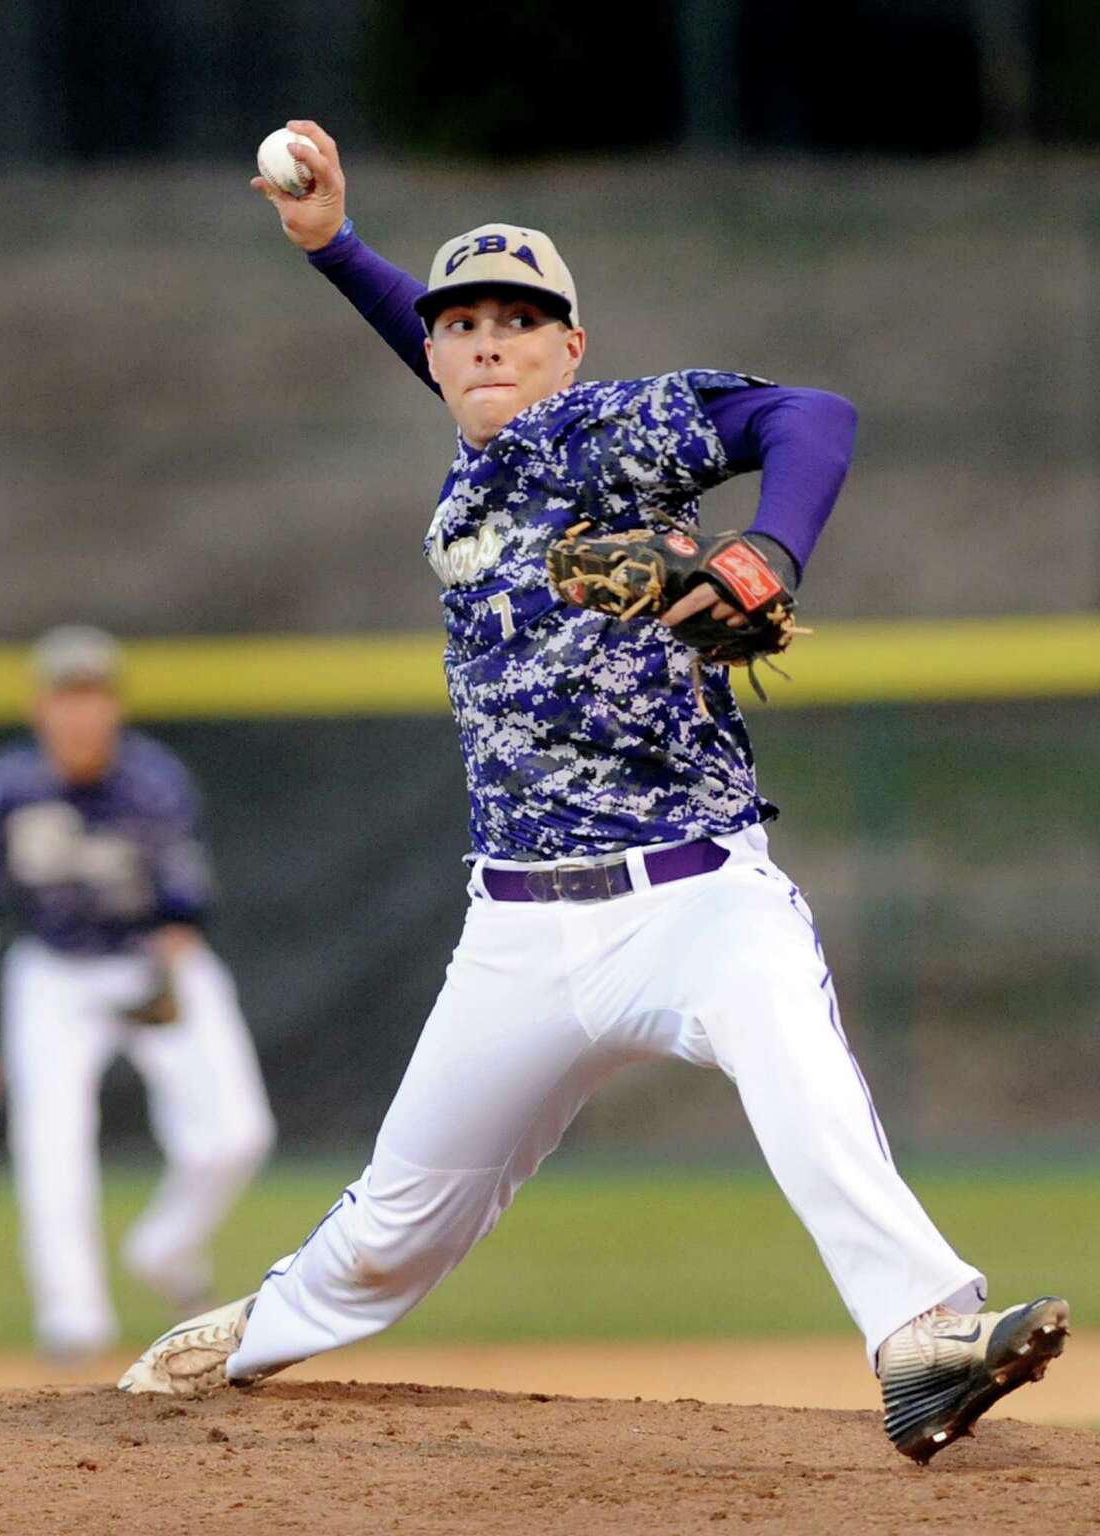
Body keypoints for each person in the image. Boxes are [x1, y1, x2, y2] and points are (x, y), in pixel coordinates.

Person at [118, 124, 1068, 1462]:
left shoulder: (612, 428)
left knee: (804, 1083)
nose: (488, 341)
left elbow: (815, 417)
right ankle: (258, 1333)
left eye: (523, 321)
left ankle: (922, 1336)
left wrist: (769, 552)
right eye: (462, 326)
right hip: (514, 931)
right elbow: (458, 366)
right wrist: (335, 249)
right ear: (434, 354)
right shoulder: (478, 455)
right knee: (393, 1229)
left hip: (695, 897)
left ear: (572, 348)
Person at [0, 625, 276, 1358]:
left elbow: (184, 908)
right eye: (66, 695)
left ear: (114, 706)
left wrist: (164, 976)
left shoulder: (154, 781)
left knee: (238, 1134)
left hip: (148, 961)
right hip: (53, 972)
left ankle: (164, 1249)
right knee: (50, 1141)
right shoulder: (4, 788)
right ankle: (72, 1319)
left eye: (93, 695)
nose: (80, 713)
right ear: (40, 707)